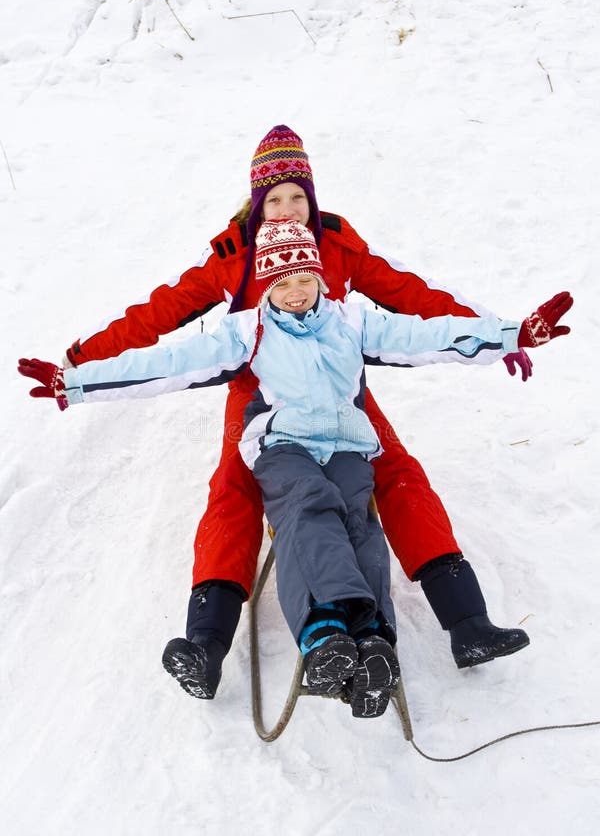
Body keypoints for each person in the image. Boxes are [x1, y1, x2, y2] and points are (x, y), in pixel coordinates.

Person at [27, 124, 541, 700]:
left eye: (298, 196)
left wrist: (499, 333)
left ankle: (466, 622)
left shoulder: (337, 242)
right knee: (235, 487)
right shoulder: (231, 253)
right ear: (256, 201)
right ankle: (206, 642)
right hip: (258, 387)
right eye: (275, 199)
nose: (287, 208)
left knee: (395, 470)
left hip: (339, 385)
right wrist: (80, 365)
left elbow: (412, 298)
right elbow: (159, 318)